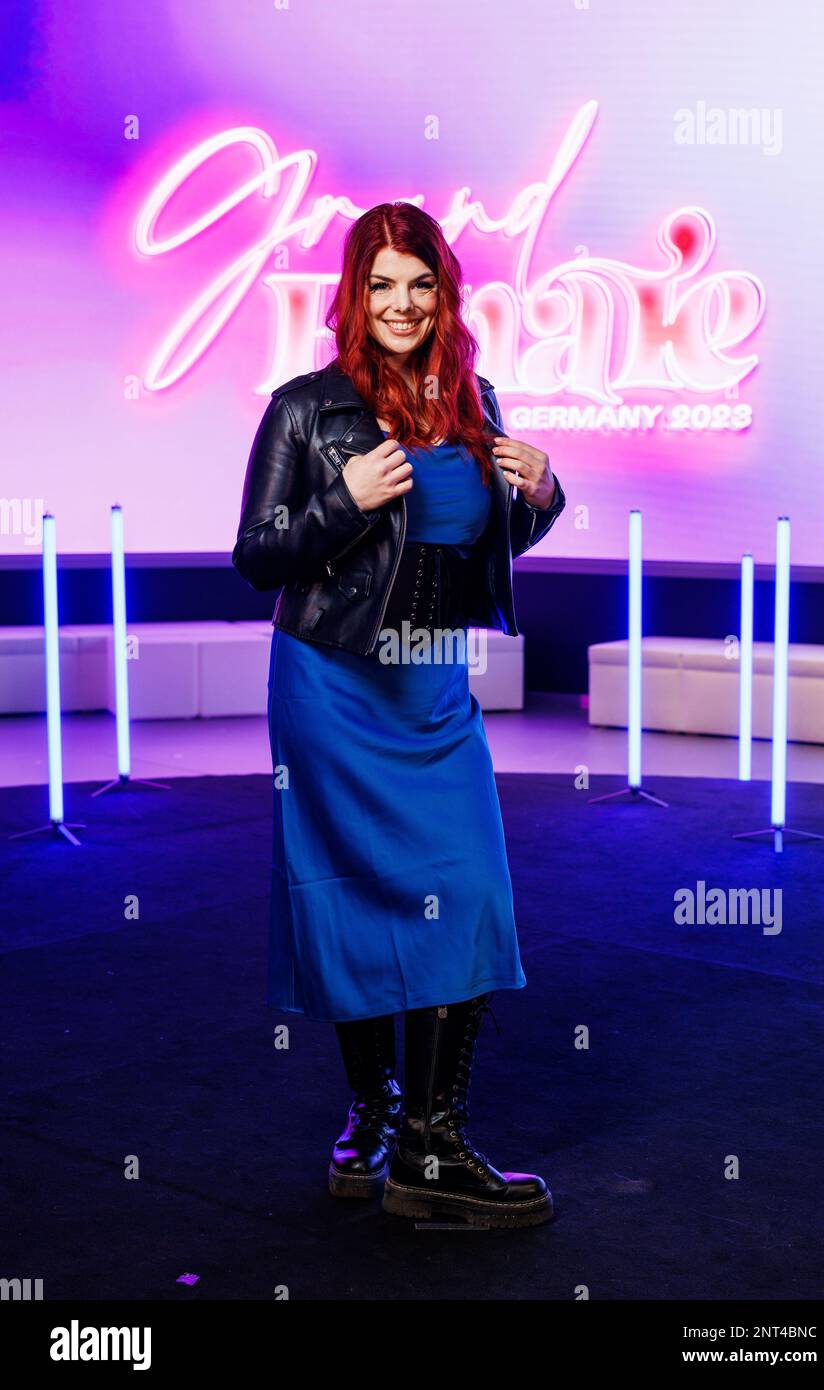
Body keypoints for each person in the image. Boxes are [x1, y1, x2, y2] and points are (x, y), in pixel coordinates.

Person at [232, 201, 566, 1228]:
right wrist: (345, 500)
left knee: (468, 891)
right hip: (332, 684)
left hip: (433, 685)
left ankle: (432, 1142)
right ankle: (378, 1114)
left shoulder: (478, 401)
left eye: (419, 282)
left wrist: (543, 493)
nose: (402, 303)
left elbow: (483, 535)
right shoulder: (302, 410)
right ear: (353, 294)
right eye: (381, 284)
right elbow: (256, 553)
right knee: (354, 898)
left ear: (444, 291)